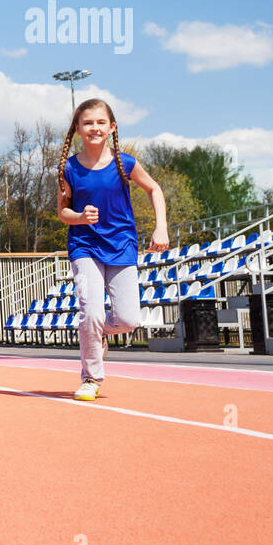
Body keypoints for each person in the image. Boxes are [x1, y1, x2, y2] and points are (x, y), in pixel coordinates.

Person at [56, 98, 167, 401]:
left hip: (122, 245)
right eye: (88, 122)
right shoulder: (69, 168)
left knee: (129, 320)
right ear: (78, 128)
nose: (94, 127)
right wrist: (79, 217)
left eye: (100, 122)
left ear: (112, 127)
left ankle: (99, 334)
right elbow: (62, 212)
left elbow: (154, 189)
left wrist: (161, 228)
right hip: (85, 245)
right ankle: (91, 377)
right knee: (90, 313)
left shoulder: (125, 163)